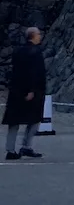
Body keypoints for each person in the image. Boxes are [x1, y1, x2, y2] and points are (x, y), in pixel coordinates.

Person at [4, 26, 47, 161]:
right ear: (33, 36)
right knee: (34, 119)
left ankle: (10, 149)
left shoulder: (18, 51)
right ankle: (26, 146)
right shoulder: (35, 52)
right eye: (38, 34)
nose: (40, 36)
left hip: (16, 90)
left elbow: (15, 72)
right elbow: (34, 72)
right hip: (31, 91)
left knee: (14, 121)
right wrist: (32, 90)